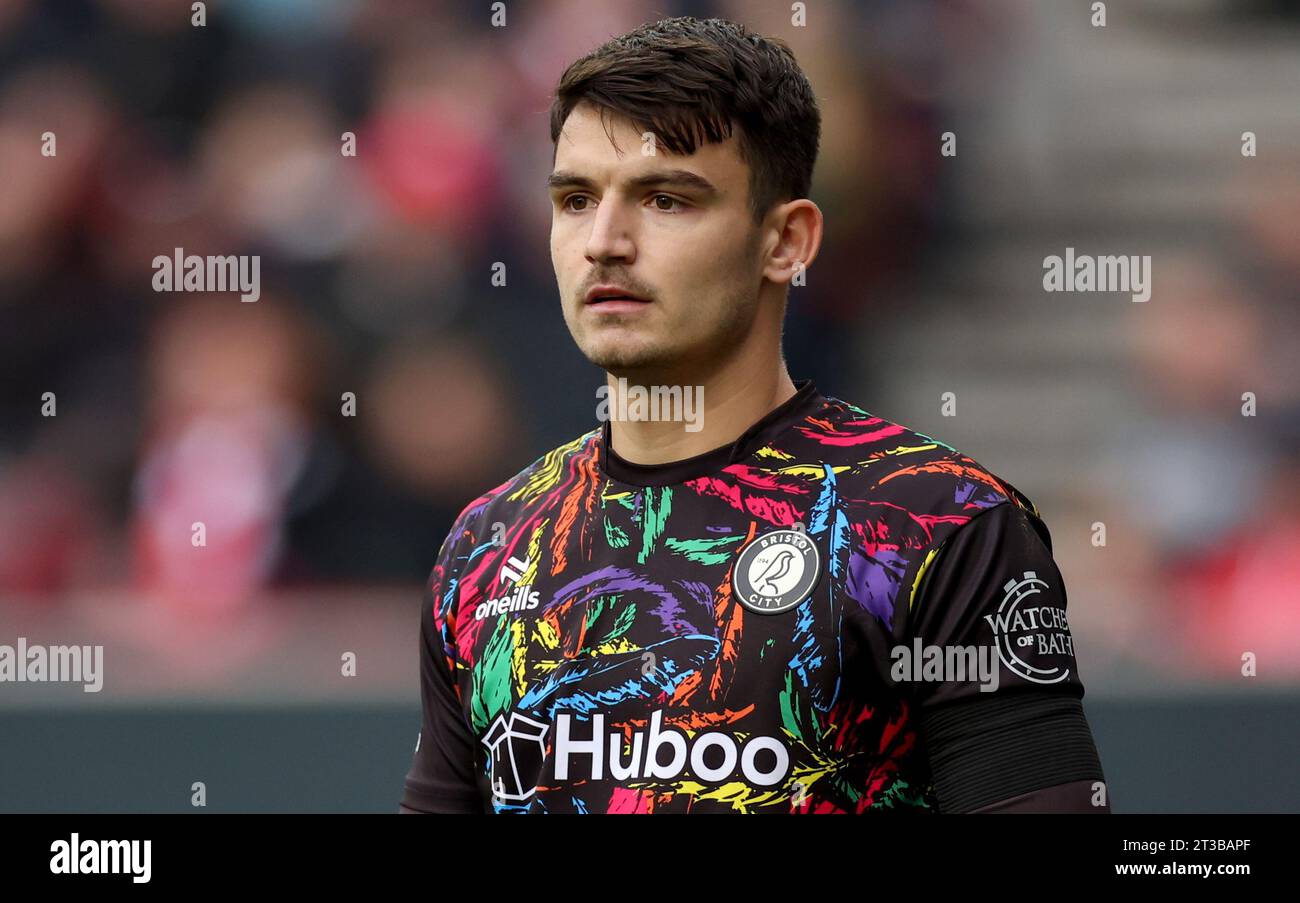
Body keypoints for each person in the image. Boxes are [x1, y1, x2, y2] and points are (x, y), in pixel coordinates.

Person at [400, 15, 1109, 814]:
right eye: (574, 199)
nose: (604, 241)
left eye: (665, 199)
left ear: (787, 241)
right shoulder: (488, 547)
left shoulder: (940, 525)